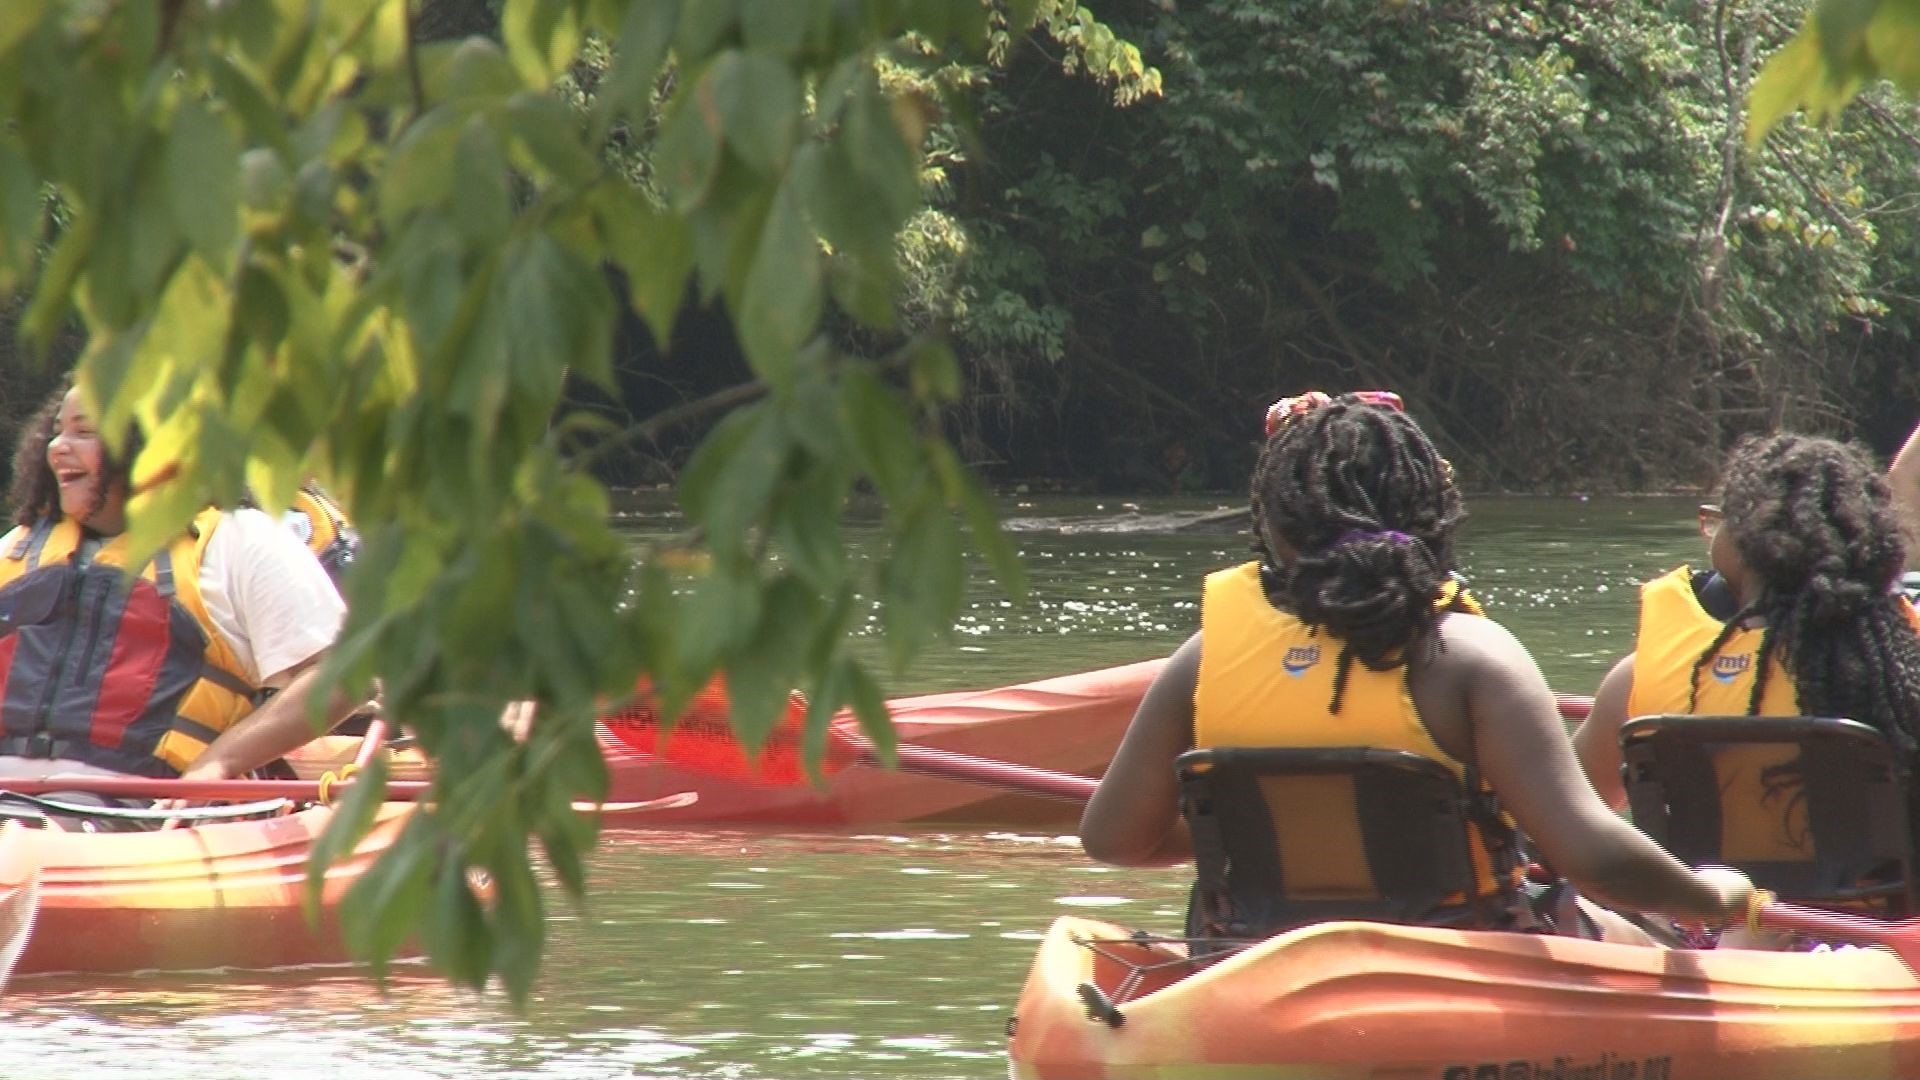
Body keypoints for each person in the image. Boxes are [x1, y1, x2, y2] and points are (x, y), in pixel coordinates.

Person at [1080, 392, 1752, 943]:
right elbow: (1593, 857)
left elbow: (1114, 836)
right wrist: (1710, 894)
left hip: (1259, 953)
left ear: (1277, 526)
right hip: (1454, 956)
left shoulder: (1202, 658)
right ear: (1427, 511)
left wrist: (1267, 832)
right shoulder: (1471, 659)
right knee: (1643, 932)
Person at [0, 384, 360, 784]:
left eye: (84, 432)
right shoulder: (16, 551)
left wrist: (218, 763)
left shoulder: (237, 541)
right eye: (57, 431)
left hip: (147, 809)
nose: (57, 447)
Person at [1573, 433, 1920, 812]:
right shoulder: (1901, 674)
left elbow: (1565, 816)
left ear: (1745, 540)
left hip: (1695, 874)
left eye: (1719, 519)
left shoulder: (1638, 680)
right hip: (1874, 875)